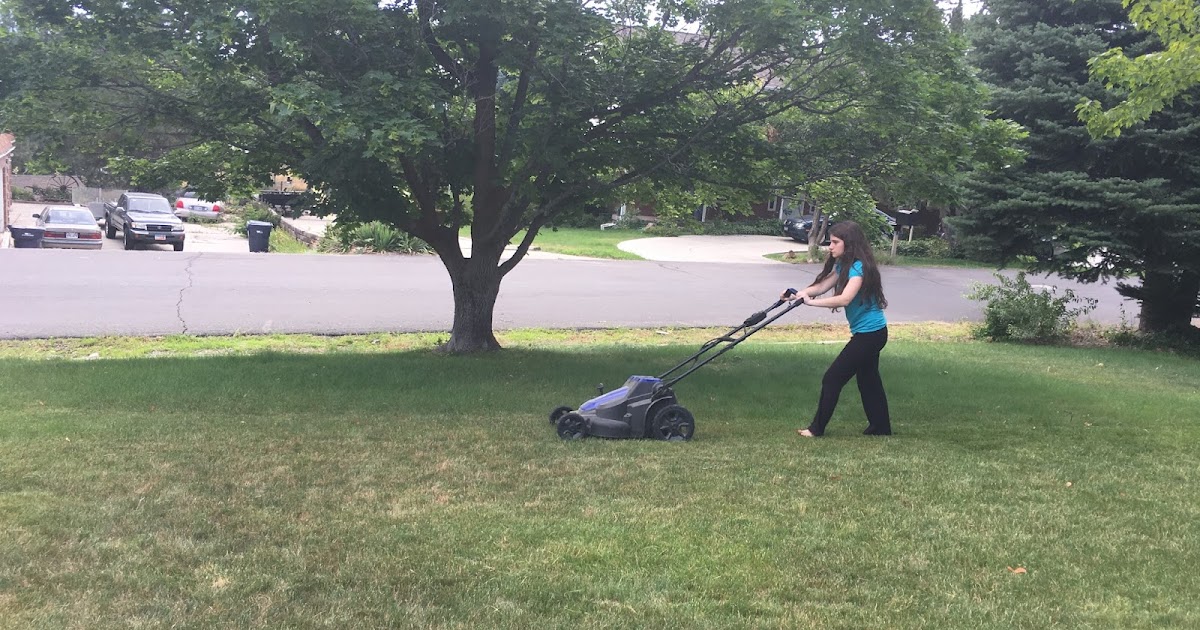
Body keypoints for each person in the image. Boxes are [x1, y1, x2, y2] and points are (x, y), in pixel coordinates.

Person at [785, 221, 891, 437]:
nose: (830, 247)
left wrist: (811, 303)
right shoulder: (843, 266)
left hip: (870, 335)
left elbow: (845, 298)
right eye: (830, 242)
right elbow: (823, 286)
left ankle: (816, 429)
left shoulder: (859, 267)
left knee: (832, 378)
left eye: (835, 242)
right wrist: (798, 294)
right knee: (869, 380)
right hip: (871, 334)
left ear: (849, 244)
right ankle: (881, 427)